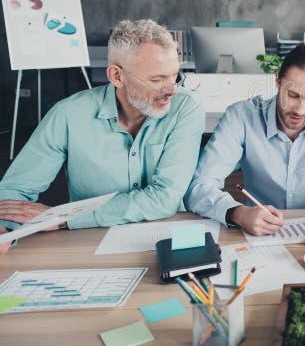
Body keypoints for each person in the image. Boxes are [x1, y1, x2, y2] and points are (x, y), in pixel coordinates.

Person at [0, 19, 205, 231]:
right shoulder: (68, 114)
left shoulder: (185, 107)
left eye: (175, 76)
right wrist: (4, 229)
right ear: (117, 76)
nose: (171, 90)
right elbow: (14, 191)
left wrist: (64, 218)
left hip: (167, 233)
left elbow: (164, 198)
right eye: (157, 80)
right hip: (90, 239)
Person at [184, 44, 305, 244]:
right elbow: (199, 187)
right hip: (260, 235)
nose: (300, 110)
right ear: (278, 80)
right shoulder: (242, 116)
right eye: (293, 95)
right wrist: (237, 213)